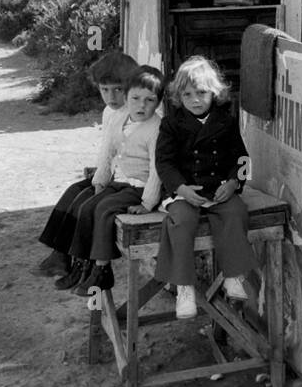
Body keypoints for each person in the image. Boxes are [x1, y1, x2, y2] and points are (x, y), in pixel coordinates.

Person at [154, 57, 254, 319]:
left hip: (218, 189)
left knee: (236, 213)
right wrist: (181, 189)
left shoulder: (226, 121)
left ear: (214, 92)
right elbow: (164, 163)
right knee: (182, 222)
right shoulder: (171, 123)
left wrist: (234, 183)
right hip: (185, 191)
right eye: (187, 94)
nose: (195, 100)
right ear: (179, 96)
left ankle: (233, 275)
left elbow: (242, 159)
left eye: (201, 93)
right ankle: (184, 288)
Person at [56, 65, 165, 296]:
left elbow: (158, 169)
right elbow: (107, 151)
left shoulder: (156, 128)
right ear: (127, 97)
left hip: (139, 187)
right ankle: (82, 264)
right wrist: (100, 181)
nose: (141, 105)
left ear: (158, 103)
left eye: (149, 100)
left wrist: (147, 203)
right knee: (87, 206)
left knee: (104, 209)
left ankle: (102, 269)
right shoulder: (120, 119)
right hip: (120, 181)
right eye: (135, 98)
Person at [34, 50, 139, 277]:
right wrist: (98, 178)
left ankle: (84, 263)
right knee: (72, 192)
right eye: (105, 90)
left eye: (118, 89)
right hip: (111, 174)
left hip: (126, 179)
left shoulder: (132, 112)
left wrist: (100, 183)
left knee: (85, 204)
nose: (111, 97)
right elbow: (104, 153)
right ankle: (60, 253)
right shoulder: (109, 112)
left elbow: (111, 154)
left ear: (132, 86)